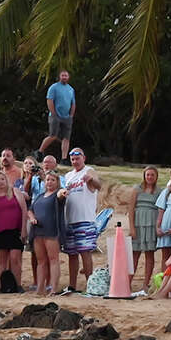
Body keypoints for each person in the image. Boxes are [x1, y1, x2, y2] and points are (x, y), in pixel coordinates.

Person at [58, 148, 102, 293]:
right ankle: (72, 285)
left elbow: (98, 186)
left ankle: (90, 285)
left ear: (84, 158)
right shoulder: (69, 175)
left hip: (85, 218)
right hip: (70, 218)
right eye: (72, 159)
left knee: (85, 252)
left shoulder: (89, 170)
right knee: (72, 253)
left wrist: (91, 180)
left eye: (78, 158)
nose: (75, 161)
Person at [128, 166, 164, 291]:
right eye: (147, 175)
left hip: (151, 225)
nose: (149, 177)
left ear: (156, 177)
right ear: (144, 176)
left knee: (149, 255)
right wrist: (132, 227)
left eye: (152, 175)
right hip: (138, 224)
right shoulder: (136, 189)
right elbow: (131, 209)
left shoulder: (159, 191)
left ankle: (145, 283)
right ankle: (128, 282)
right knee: (134, 255)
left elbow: (161, 209)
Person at [41, 69, 76, 156]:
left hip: (67, 117)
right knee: (53, 136)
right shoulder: (54, 87)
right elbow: (50, 100)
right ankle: (40, 151)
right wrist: (53, 113)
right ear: (59, 77)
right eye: (62, 75)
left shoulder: (71, 89)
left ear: (68, 77)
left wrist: (71, 115)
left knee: (66, 138)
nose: (64, 77)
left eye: (66, 75)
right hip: (55, 115)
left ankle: (64, 158)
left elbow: (73, 103)